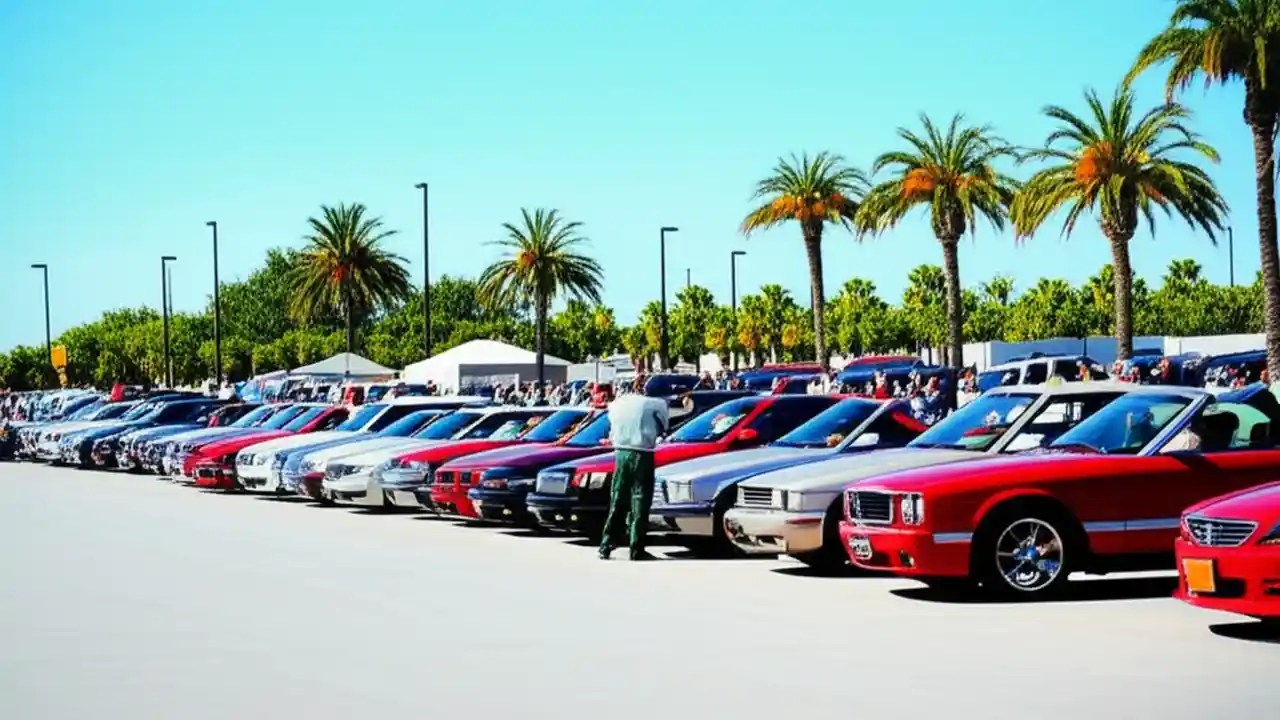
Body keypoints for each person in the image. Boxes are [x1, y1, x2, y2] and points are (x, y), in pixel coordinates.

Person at [599, 390, 669, 561]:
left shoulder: (616, 405)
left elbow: (610, 430)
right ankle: (636, 547)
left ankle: (606, 544)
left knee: (617, 499)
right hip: (642, 453)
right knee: (640, 500)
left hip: (621, 454)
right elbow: (664, 427)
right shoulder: (655, 404)